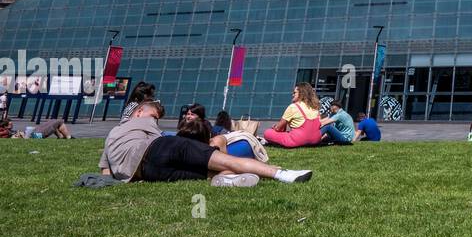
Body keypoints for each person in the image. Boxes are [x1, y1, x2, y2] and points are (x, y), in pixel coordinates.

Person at [99, 100, 312, 186]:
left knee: (204, 173)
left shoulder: (112, 135)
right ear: (139, 112)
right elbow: (165, 138)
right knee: (223, 159)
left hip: (146, 173)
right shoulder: (144, 121)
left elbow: (106, 173)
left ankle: (227, 181)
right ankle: (281, 173)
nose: (155, 119)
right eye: (154, 115)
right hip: (157, 149)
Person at [263, 83, 322, 148]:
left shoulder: (293, 107)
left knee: (267, 132)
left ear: (301, 94)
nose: (292, 95)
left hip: (298, 140)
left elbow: (278, 128)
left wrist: (274, 128)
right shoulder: (314, 107)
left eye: (294, 93)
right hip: (315, 140)